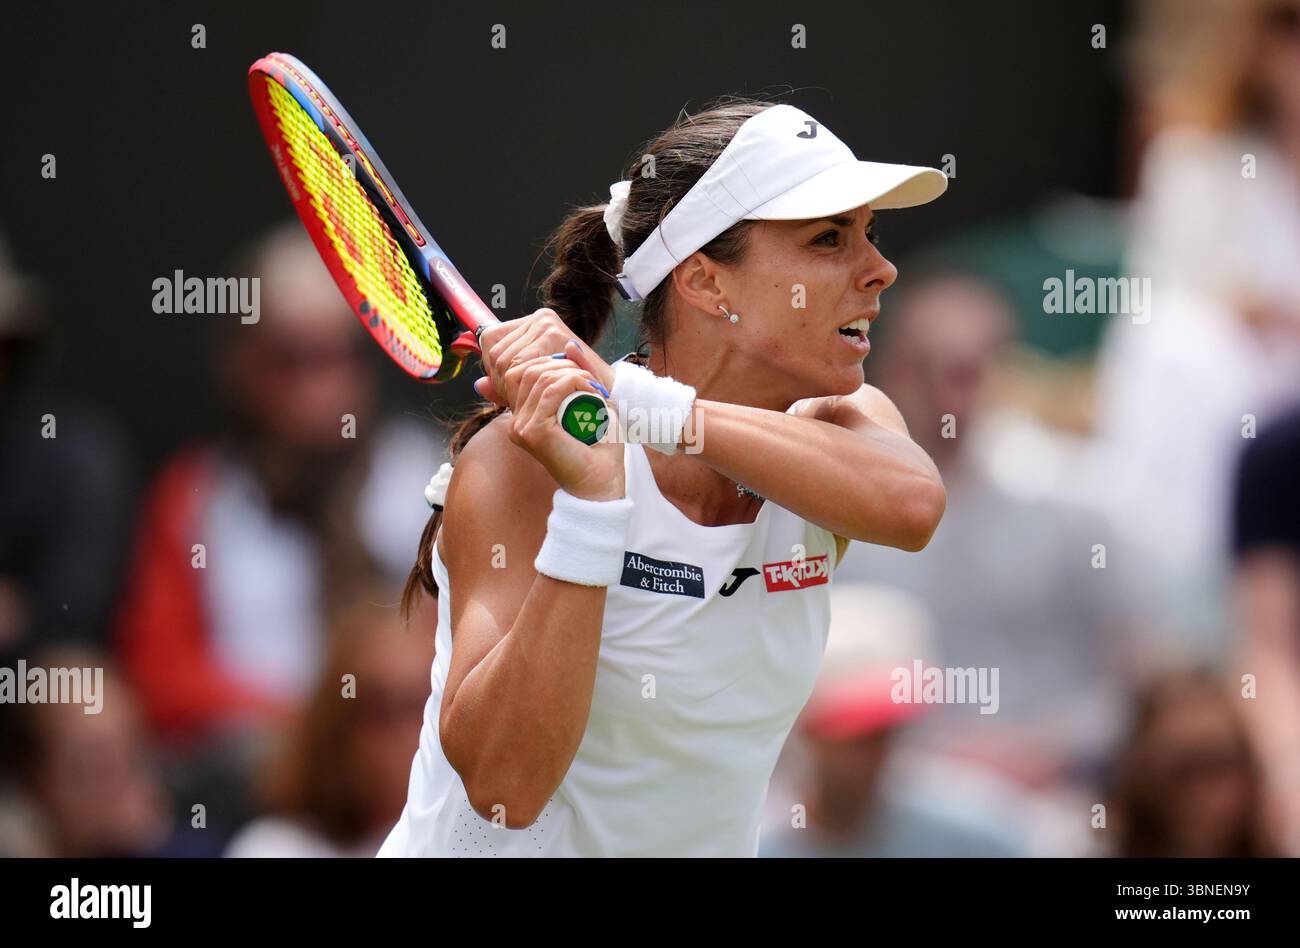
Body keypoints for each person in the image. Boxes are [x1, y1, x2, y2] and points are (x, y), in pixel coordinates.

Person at [378, 97, 949, 857]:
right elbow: (505, 790)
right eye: (828, 239)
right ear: (707, 283)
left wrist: (645, 407)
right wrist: (593, 505)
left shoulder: (841, 425)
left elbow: (912, 507)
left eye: (868, 235)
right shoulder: (521, 463)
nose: (879, 269)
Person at [225, 593, 436, 857]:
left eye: (429, 702)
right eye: (386, 709)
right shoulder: (276, 847)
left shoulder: (472, 840)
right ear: (337, 726)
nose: (415, 731)